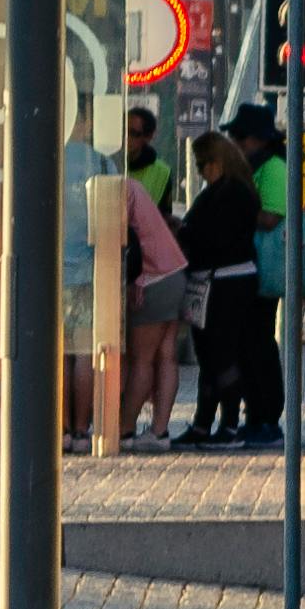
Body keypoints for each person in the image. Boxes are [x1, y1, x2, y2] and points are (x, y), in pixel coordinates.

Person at [173, 131, 265, 444]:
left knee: (221, 353)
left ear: (217, 161)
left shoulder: (230, 194)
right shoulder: (234, 191)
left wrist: (184, 231)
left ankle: (228, 425)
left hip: (223, 281)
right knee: (211, 355)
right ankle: (205, 423)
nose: (200, 172)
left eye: (202, 165)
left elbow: (213, 238)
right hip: (224, 279)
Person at [229, 103, 290, 445]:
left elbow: (271, 216)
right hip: (246, 269)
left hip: (263, 270)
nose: (236, 144)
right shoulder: (252, 167)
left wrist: (235, 207)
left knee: (260, 344)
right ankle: (254, 414)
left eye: (241, 137)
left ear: (260, 139)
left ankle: (267, 416)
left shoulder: (274, 168)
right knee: (247, 344)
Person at [119, 167, 189, 444]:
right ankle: (159, 431)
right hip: (174, 272)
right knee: (166, 355)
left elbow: (122, 239)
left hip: (151, 278)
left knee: (142, 359)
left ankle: (124, 429)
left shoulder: (117, 190)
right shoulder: (134, 187)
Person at [124, 105, 170, 207]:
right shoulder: (107, 164)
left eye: (133, 133)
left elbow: (164, 213)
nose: (126, 137)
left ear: (148, 137)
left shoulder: (162, 173)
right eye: (123, 131)